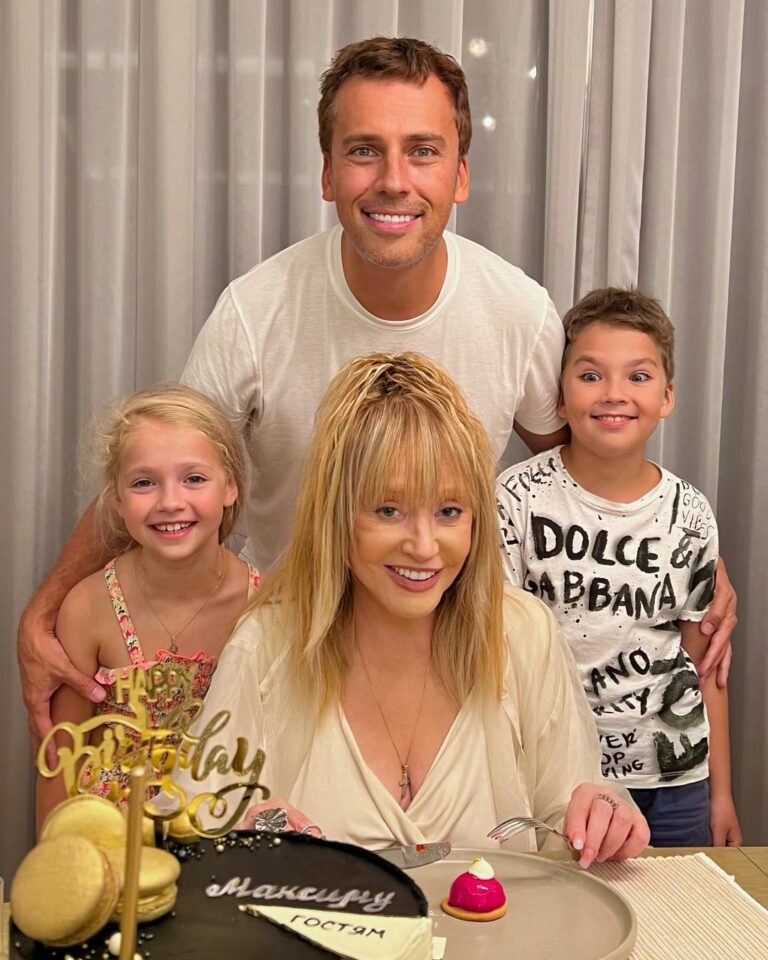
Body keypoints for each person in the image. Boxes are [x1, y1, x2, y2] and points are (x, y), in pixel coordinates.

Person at [17, 36, 735, 761]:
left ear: (460, 175)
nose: (394, 180)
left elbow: (589, 467)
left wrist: (691, 555)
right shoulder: (255, 312)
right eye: (365, 151)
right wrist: (44, 614)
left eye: (422, 151)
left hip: (449, 665)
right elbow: (165, 472)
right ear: (328, 174)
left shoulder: (519, 312)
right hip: (292, 662)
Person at [184, 353, 649, 867]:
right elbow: (194, 826)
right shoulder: (267, 642)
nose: (425, 547)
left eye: (449, 511)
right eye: (389, 510)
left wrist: (603, 815)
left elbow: (566, 819)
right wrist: (238, 832)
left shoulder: (523, 632)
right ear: (335, 514)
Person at [496, 289, 742, 847]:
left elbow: (707, 663)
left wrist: (720, 794)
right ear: (559, 399)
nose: (613, 393)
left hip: (674, 781)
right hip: (560, 776)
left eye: (638, 376)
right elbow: (496, 654)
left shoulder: (691, 513)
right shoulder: (516, 499)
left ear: (667, 396)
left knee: (677, 906)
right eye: (590, 376)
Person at [36, 385, 260, 830]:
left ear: (231, 486)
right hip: (111, 842)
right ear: (117, 499)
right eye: (144, 483)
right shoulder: (88, 608)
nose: (170, 502)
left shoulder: (265, 605)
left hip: (223, 839)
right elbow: (61, 760)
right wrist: (59, 859)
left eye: (194, 479)